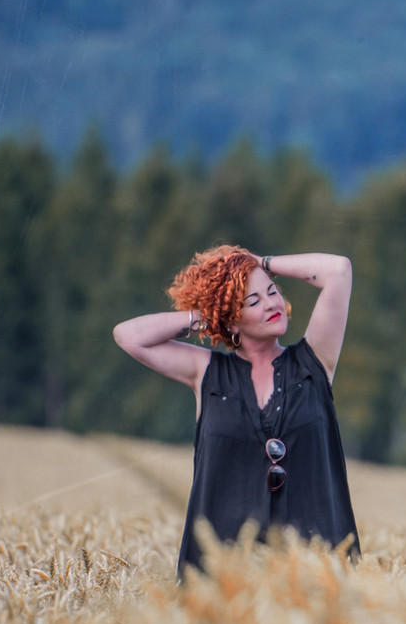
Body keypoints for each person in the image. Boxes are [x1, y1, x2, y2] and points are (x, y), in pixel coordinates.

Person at [112, 246, 360, 581]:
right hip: (224, 575)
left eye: (272, 291)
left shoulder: (314, 362)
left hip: (316, 571)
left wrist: (261, 263)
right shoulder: (205, 372)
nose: (272, 303)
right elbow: (129, 337)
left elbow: (339, 270)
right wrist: (206, 315)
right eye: (253, 301)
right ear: (231, 317)